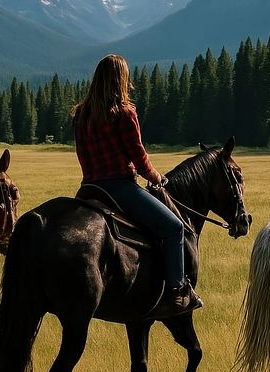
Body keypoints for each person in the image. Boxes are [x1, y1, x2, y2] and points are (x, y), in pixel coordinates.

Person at [72, 54, 201, 318]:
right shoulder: (124, 113)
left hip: (89, 189)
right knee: (174, 228)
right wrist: (156, 177)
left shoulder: (81, 114)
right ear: (121, 80)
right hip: (119, 188)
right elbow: (138, 156)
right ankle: (176, 291)